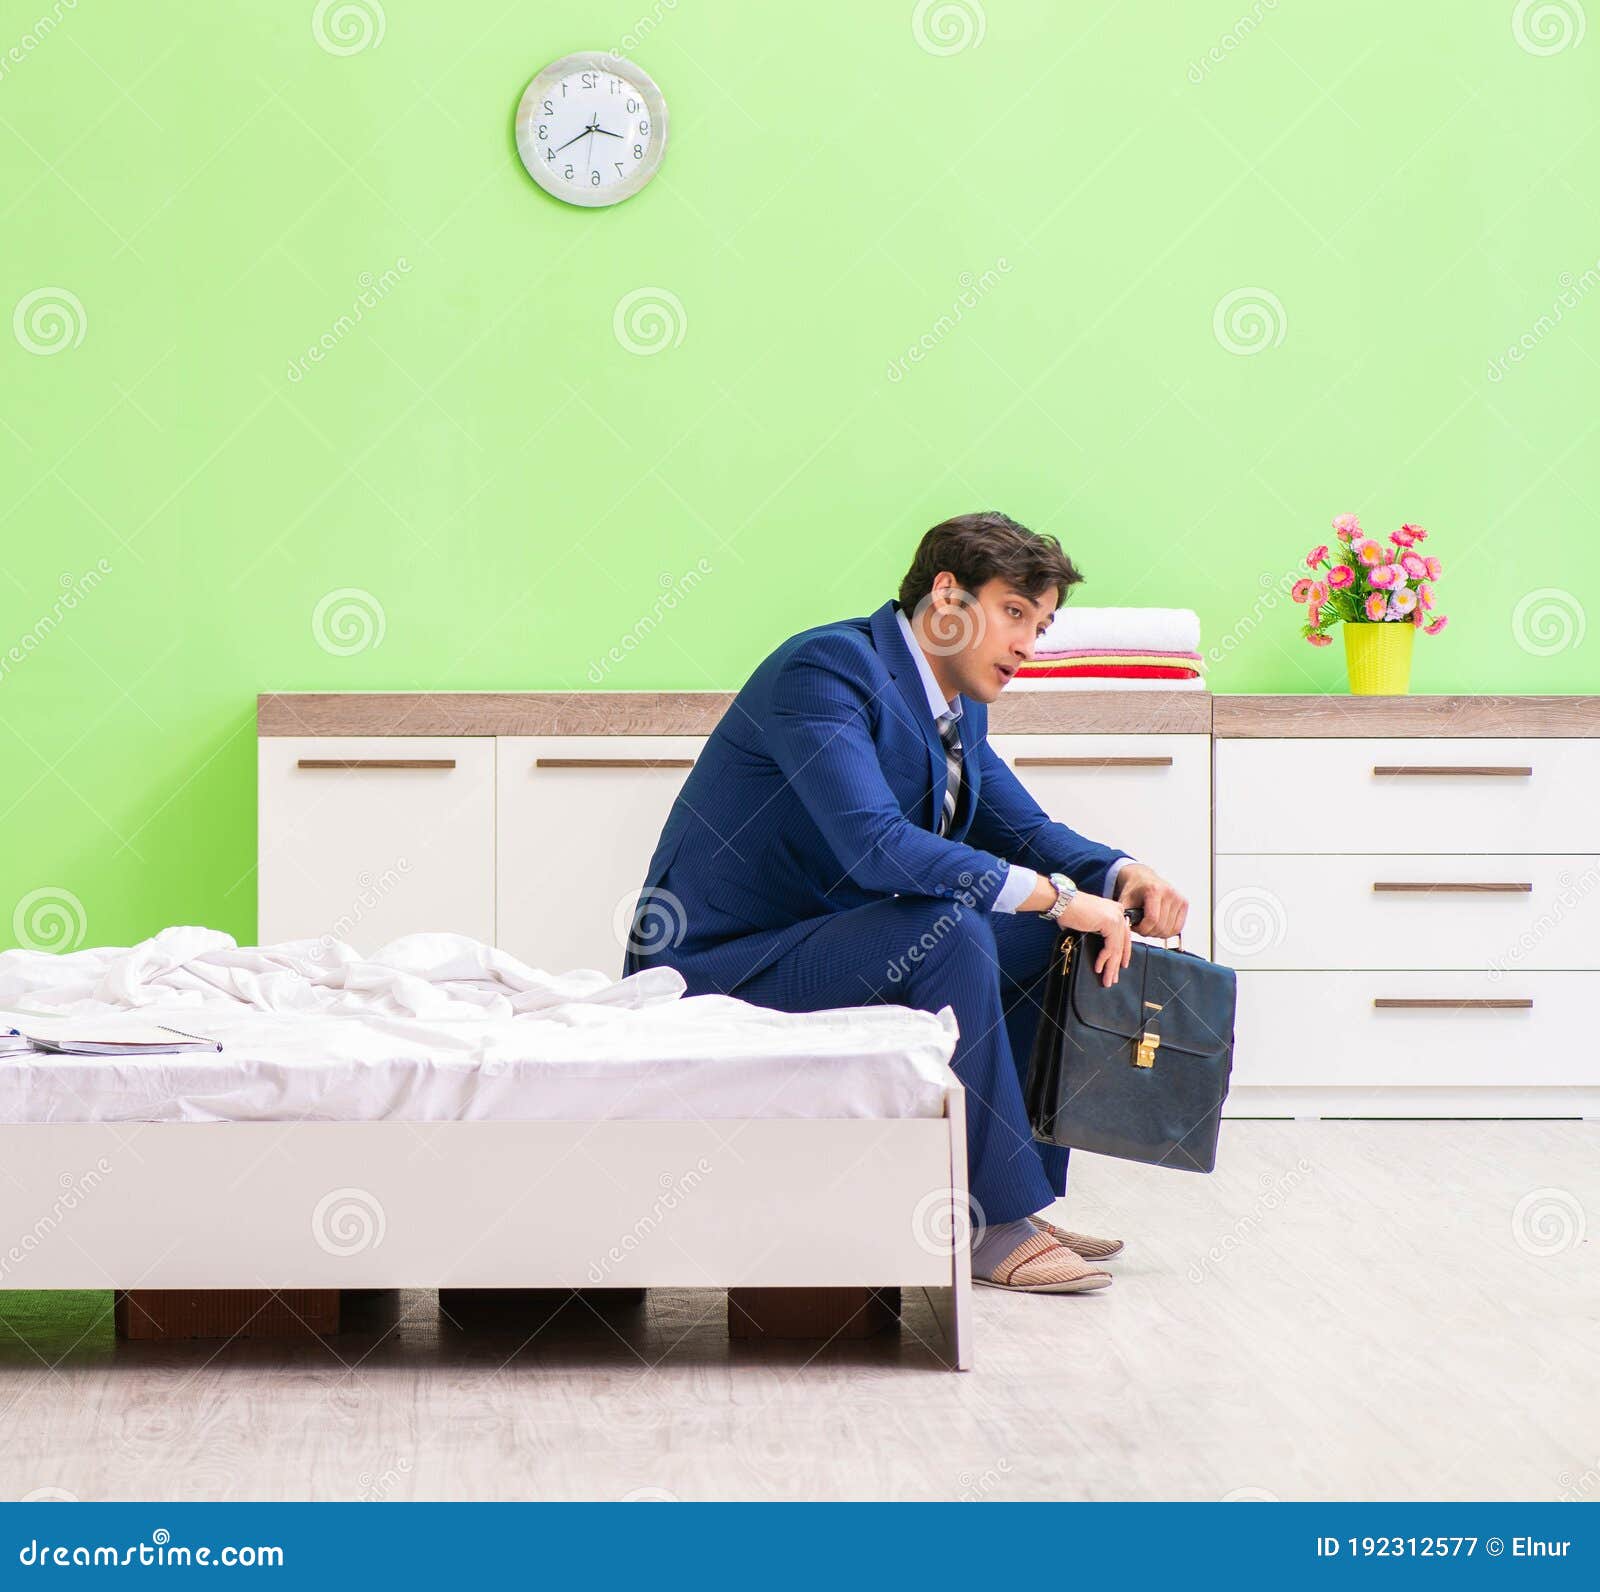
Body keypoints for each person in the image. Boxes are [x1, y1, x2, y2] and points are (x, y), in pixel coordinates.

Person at [625, 511, 1189, 1293]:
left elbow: (1020, 826)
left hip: (827, 942)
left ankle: (1018, 1194)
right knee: (956, 926)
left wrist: (1118, 875)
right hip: (722, 964)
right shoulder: (825, 670)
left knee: (1044, 941)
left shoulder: (957, 703)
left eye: (1043, 623)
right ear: (947, 598)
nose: (1031, 643)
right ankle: (989, 1220)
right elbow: (876, 844)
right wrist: (1059, 899)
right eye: (1016, 614)